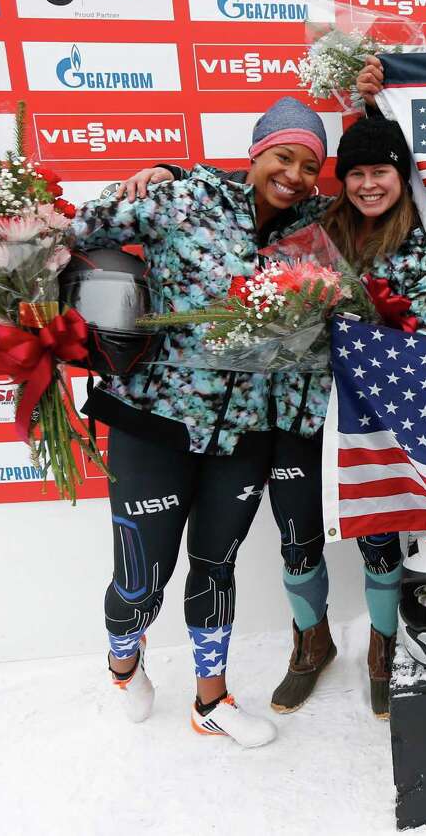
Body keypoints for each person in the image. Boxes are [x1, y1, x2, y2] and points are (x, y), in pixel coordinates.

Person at [115, 117, 426, 717]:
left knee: (378, 538)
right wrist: (172, 170)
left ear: (402, 177)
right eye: (357, 173)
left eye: (382, 172)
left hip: (372, 420)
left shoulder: (419, 243)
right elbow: (242, 201)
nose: (369, 185)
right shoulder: (312, 223)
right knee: (298, 538)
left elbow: (423, 329)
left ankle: (383, 648)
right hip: (295, 415)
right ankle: (311, 644)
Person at [74, 96, 334, 748]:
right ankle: (122, 663)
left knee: (214, 568)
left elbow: (385, 199)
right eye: (283, 155)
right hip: (153, 424)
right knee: (141, 582)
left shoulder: (316, 229)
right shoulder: (184, 197)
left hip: (244, 434)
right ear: (255, 155)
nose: (295, 173)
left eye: (310, 164)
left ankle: (210, 700)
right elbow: (79, 231)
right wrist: (160, 170)